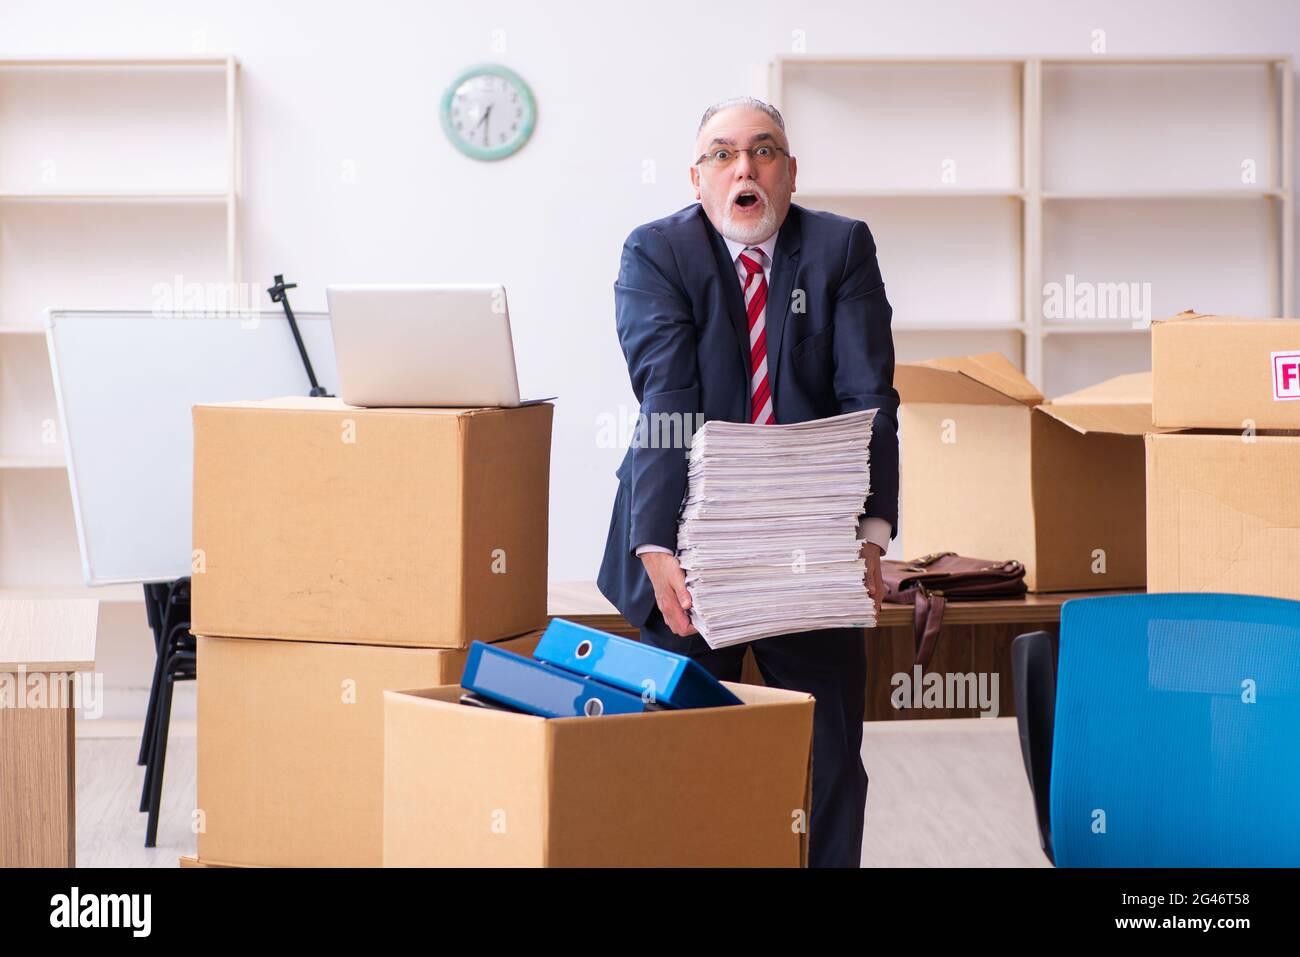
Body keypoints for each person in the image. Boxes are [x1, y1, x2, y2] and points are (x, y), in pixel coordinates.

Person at [596, 96, 899, 868]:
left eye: (764, 152)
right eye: (723, 153)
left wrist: (870, 535)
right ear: (697, 177)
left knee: (827, 759)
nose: (745, 167)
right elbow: (665, 398)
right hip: (689, 536)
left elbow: (870, 396)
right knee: (684, 752)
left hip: (808, 539)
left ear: (790, 173)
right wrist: (656, 541)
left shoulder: (840, 248)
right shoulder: (658, 253)